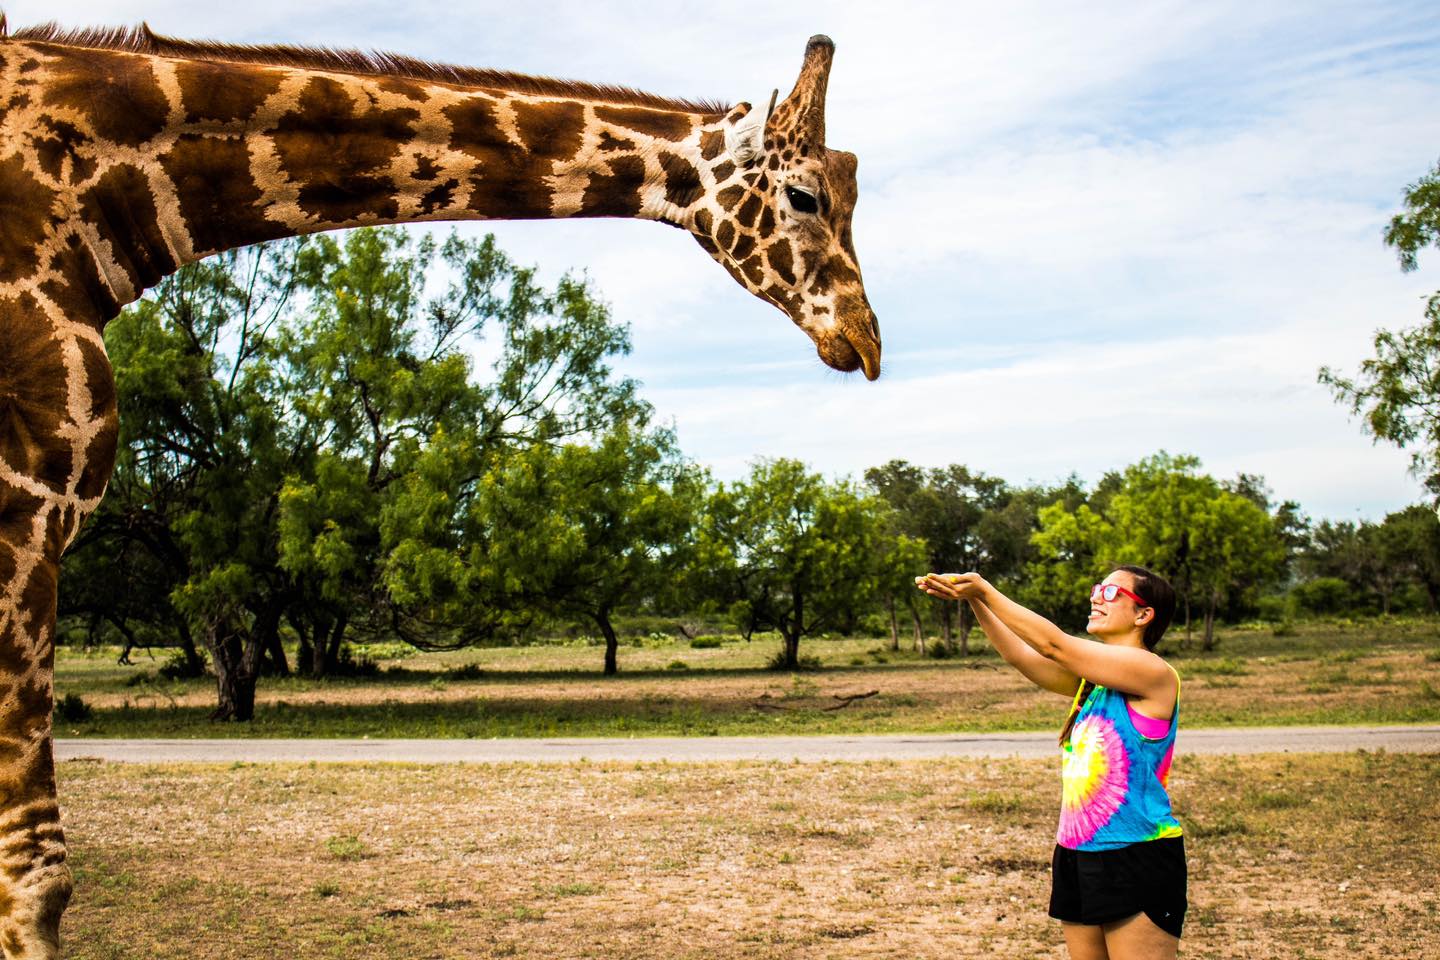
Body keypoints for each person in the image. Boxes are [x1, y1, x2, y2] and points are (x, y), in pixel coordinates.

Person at [916, 565, 1185, 960]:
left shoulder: (1153, 672)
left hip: (1137, 854)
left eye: (1112, 593)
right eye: (1097, 588)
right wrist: (974, 599)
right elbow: (1020, 655)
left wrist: (986, 589)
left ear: (1144, 615)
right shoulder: (1094, 681)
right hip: (1076, 852)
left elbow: (1053, 645)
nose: (1097, 597)